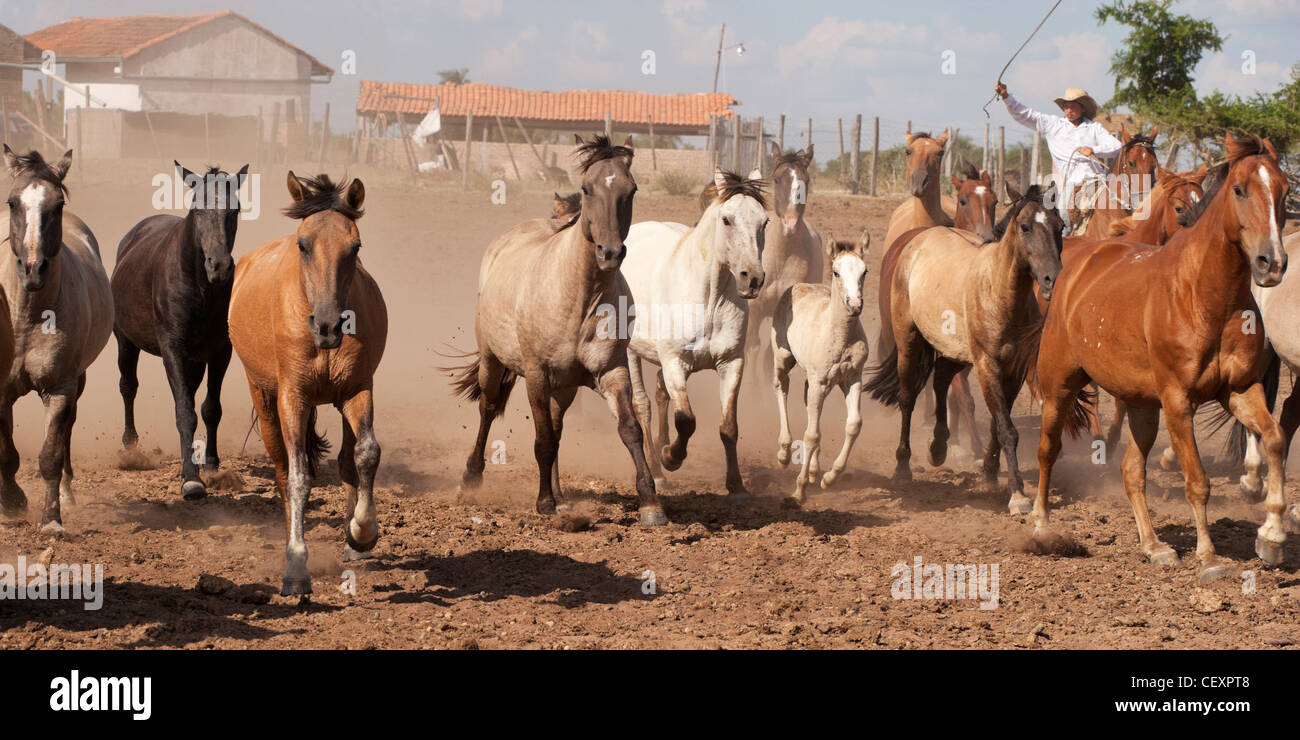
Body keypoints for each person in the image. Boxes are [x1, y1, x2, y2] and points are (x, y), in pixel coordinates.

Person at [994, 83, 1122, 232]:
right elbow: (1024, 114)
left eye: (1073, 106)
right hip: (1072, 183)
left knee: (1123, 206)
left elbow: (1116, 145)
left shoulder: (1094, 128)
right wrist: (1006, 96)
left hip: (1098, 180)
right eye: (1066, 106)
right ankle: (1065, 246)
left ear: (1082, 108)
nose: (1068, 110)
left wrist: (1094, 150)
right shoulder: (1053, 125)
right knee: (1064, 220)